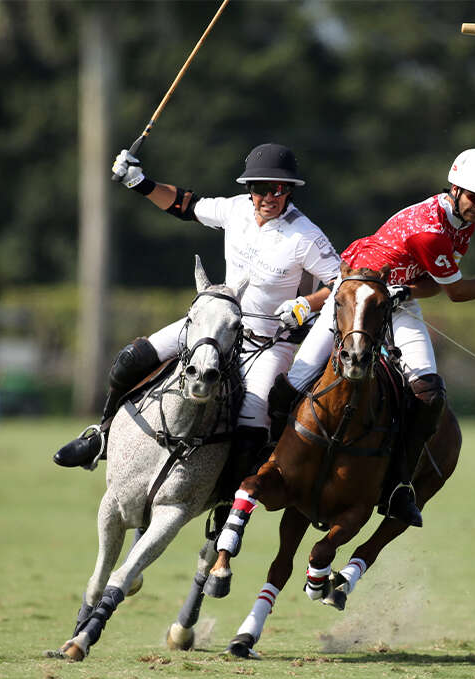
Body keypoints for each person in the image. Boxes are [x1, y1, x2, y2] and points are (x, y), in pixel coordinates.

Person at [266, 148, 475, 528]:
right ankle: (267, 463)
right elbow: (455, 292)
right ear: (455, 189)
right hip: (355, 295)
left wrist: (405, 293)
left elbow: (430, 286)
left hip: (396, 298)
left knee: (428, 392)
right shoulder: (432, 231)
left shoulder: (460, 219)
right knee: (295, 382)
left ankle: (398, 485)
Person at [53, 143, 342, 492]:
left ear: (290, 191)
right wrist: (139, 181)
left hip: (269, 342)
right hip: (216, 324)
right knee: (131, 360)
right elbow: (184, 205)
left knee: (252, 421)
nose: (270, 196)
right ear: (249, 189)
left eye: (280, 188)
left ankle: (227, 500)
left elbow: (340, 281)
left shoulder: (306, 236)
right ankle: (100, 436)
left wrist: (306, 305)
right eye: (261, 187)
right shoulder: (235, 211)